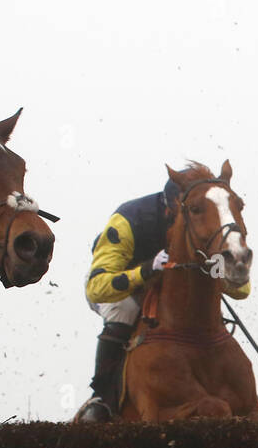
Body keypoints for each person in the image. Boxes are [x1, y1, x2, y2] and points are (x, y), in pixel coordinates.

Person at [76, 176, 182, 422]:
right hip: (120, 287)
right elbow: (97, 287)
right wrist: (146, 270)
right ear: (168, 208)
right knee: (122, 310)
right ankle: (102, 398)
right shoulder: (129, 219)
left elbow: (239, 290)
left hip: (166, 290)